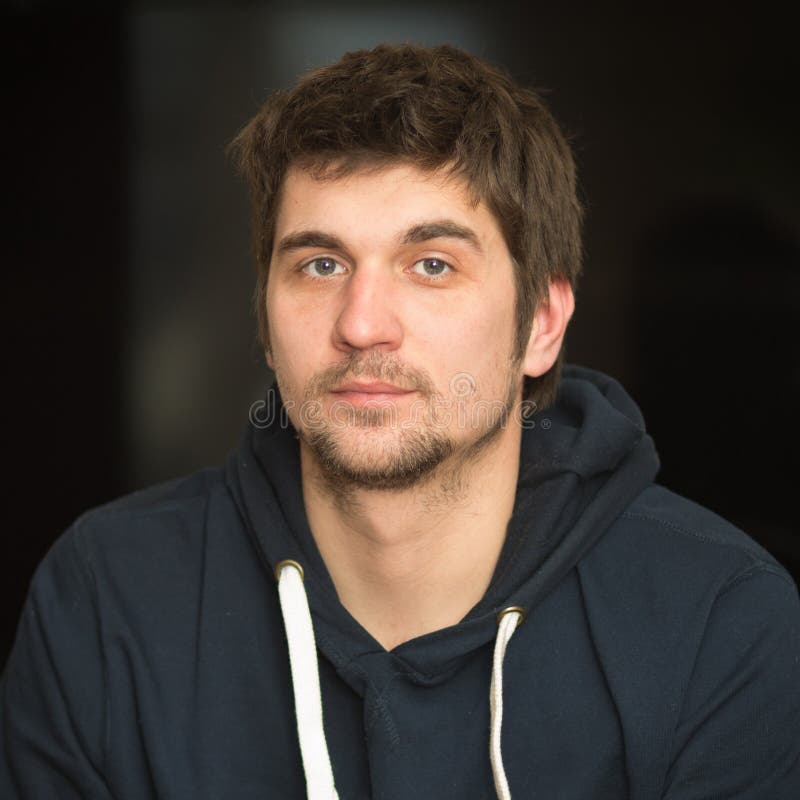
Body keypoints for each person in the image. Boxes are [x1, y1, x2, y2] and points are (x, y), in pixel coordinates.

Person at [1, 43, 798, 800]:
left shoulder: (720, 620)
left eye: (432, 265)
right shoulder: (107, 597)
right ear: (264, 319)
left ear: (543, 323)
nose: (362, 324)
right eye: (321, 264)